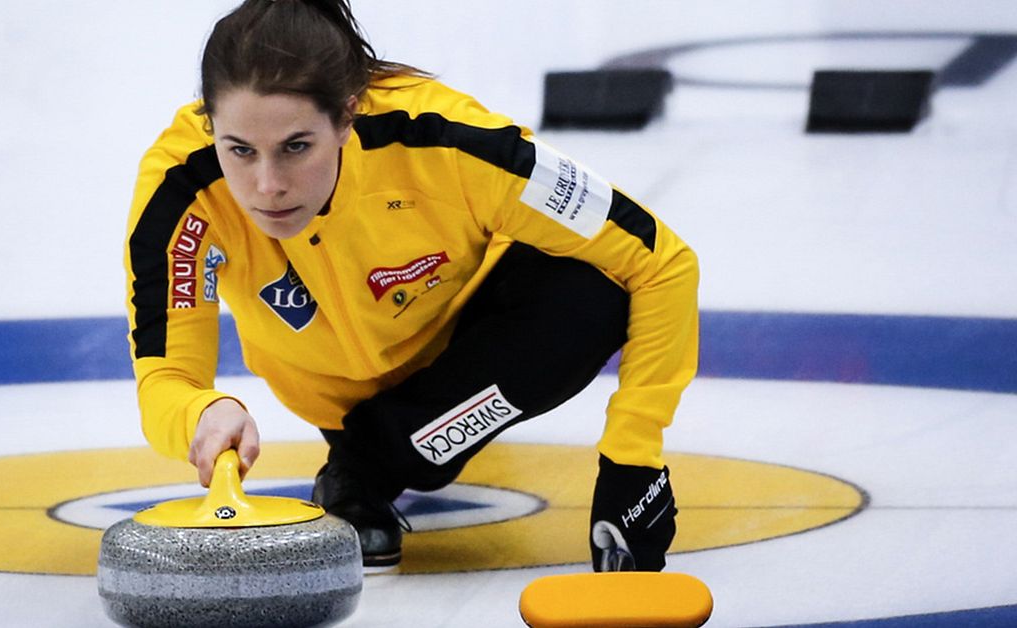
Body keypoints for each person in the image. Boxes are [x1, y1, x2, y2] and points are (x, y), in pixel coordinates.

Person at [123, 0, 698, 572]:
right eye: (239, 151)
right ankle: (365, 461)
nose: (267, 185)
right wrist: (202, 410)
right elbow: (165, 378)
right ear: (211, 129)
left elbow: (662, 261)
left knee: (591, 295)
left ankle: (373, 465)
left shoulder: (447, 142)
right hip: (338, 397)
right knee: (397, 446)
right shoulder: (180, 192)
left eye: (297, 147)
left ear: (347, 117)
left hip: (471, 342)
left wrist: (633, 462)